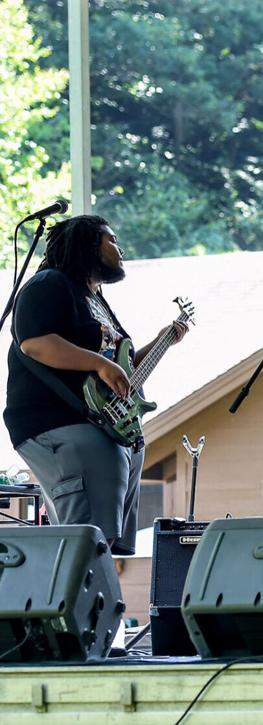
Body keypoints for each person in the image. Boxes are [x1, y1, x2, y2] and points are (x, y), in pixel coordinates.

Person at [4, 215, 188, 555]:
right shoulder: (49, 283)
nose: (120, 249)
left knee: (103, 546)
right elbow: (34, 342)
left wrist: (160, 343)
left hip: (110, 429)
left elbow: (121, 369)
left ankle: (98, 609)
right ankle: (70, 609)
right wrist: (99, 362)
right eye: (112, 239)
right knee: (85, 545)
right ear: (88, 244)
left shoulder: (95, 299)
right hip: (63, 423)